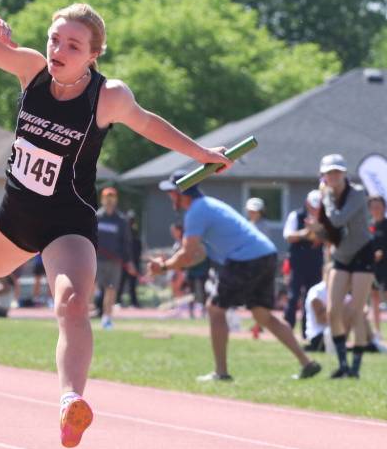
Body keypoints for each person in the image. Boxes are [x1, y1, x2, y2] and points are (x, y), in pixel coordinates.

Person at [0, 5, 238, 446]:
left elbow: (148, 123)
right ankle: (38, 263)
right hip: (15, 214)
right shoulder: (31, 69)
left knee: (72, 303)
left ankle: (71, 400)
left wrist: (200, 153)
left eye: (73, 45)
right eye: (55, 39)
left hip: (65, 223)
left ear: (93, 54)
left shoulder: (108, 96)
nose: (58, 50)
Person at [151, 170, 321, 382]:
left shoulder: (196, 211)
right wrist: (169, 265)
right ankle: (307, 363)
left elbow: (186, 254)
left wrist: (164, 266)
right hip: (266, 254)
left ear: (181, 192)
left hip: (245, 258)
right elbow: (198, 254)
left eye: (171, 192)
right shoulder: (208, 206)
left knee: (215, 308)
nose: (169, 197)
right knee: (262, 315)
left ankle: (221, 373)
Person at [316, 154, 376, 378]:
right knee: (333, 311)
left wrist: (326, 199)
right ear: (323, 175)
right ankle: (342, 364)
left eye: (337, 172)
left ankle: (355, 368)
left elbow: (338, 219)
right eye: (329, 172)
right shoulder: (326, 195)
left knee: (358, 311)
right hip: (341, 255)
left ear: (344, 174)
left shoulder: (357, 193)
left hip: (362, 253)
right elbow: (328, 229)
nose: (333, 176)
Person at [282, 190, 325, 338]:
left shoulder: (325, 218)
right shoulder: (296, 216)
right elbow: (288, 236)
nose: (315, 209)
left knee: (311, 297)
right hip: (298, 261)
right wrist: (305, 233)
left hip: (316, 262)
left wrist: (317, 232)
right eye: (313, 206)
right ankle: (287, 329)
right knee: (293, 296)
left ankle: (308, 332)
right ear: (307, 203)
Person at [94, 186, 136, 329]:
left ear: (116, 200)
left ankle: (107, 317)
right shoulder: (97, 217)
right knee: (91, 287)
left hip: (114, 261)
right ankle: (88, 312)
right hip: (97, 260)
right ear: (102, 199)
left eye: (112, 198)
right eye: (107, 198)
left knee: (111, 289)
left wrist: (128, 261)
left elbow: (126, 242)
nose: (110, 201)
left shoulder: (121, 220)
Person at [368, 195, 386, 339]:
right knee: (374, 297)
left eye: (379, 206)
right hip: (372, 267)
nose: (376, 209)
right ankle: (377, 331)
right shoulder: (368, 226)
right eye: (373, 207)